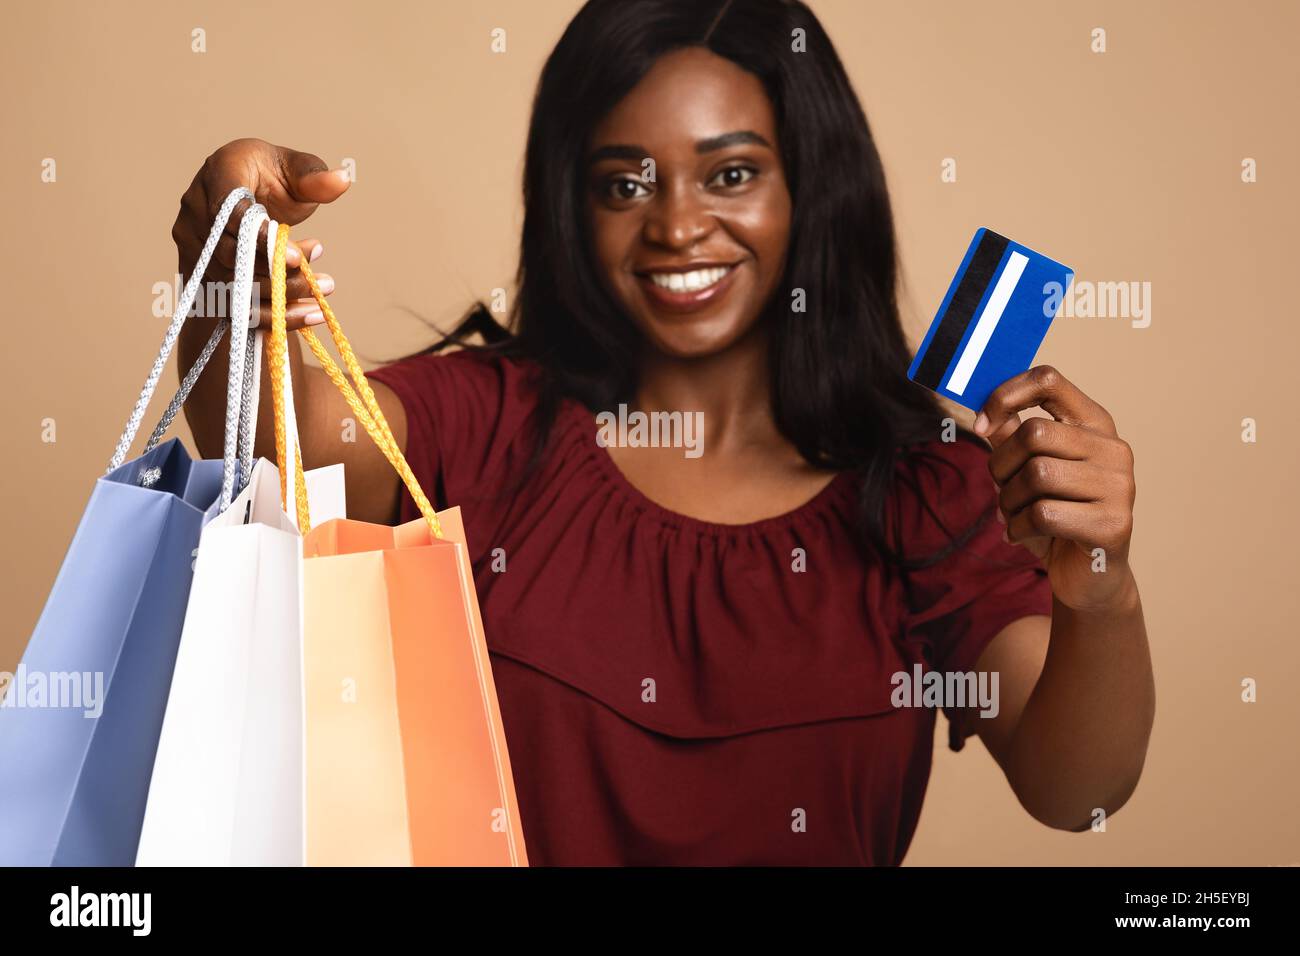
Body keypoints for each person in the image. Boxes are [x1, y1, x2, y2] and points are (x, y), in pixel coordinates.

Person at [172, 0, 1153, 865]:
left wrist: (1097, 586)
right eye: (625, 184)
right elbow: (271, 450)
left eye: (730, 174)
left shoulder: (923, 493)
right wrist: (226, 284)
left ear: (812, 188)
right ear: (573, 203)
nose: (677, 226)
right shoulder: (490, 424)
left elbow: (1080, 791)